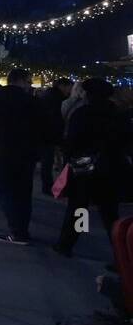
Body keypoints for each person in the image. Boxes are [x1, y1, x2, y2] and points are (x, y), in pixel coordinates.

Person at [52, 79, 132, 257]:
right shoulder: (119, 114)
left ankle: (69, 243)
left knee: (79, 208)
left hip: (84, 169)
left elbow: (71, 142)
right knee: (110, 212)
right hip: (112, 168)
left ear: (88, 94)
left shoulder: (82, 113)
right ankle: (120, 254)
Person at [0, 68, 46, 245]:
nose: (30, 86)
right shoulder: (32, 101)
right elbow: (41, 129)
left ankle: (16, 230)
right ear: (21, 81)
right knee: (23, 192)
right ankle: (22, 230)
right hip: (25, 154)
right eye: (29, 82)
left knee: (6, 192)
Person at [38, 78, 73, 195]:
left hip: (44, 133)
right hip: (51, 134)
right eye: (69, 87)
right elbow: (56, 119)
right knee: (49, 161)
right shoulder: (57, 98)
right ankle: (52, 187)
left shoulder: (47, 95)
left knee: (47, 162)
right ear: (63, 86)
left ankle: (47, 186)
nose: (70, 90)